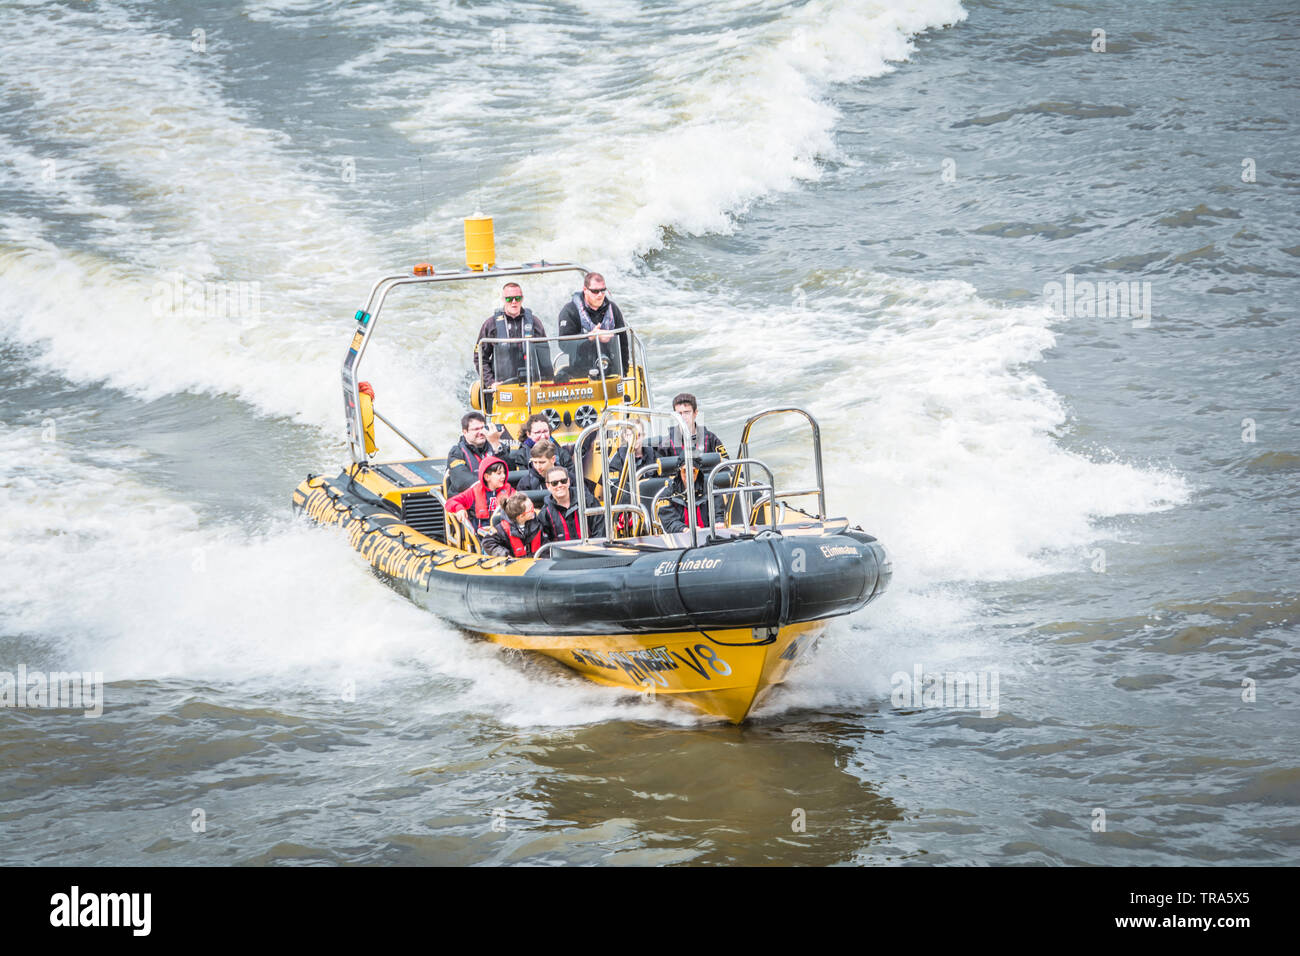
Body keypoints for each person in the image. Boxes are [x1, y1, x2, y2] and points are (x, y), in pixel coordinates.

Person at [474, 282, 554, 411]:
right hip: (502, 389)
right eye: (509, 299)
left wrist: (548, 383)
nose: (514, 302)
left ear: (522, 299)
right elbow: (479, 357)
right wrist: (491, 383)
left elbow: (544, 355)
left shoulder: (534, 322)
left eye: (517, 298)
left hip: (532, 387)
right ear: (503, 299)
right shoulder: (491, 324)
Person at [555, 272, 628, 379]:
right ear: (585, 290)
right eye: (595, 291)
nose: (600, 294)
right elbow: (563, 344)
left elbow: (623, 344)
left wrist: (624, 373)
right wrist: (589, 338)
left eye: (603, 290)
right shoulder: (570, 311)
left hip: (610, 370)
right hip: (580, 373)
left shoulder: (613, 310)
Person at [445, 456, 513, 536]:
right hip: (481, 536)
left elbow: (521, 502)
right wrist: (459, 509)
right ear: (487, 477)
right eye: (499, 473)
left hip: (504, 533)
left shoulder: (509, 490)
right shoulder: (474, 491)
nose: (503, 476)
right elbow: (450, 502)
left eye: (504, 472)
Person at [446, 411, 512, 495]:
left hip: (497, 498)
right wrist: (488, 486)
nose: (481, 432)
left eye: (483, 428)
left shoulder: (497, 446)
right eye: (476, 429)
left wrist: (496, 446)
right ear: (465, 432)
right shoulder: (456, 453)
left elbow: (510, 471)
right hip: (468, 500)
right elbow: (461, 480)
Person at [539, 466, 605, 542]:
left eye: (563, 481)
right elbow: (546, 545)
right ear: (548, 486)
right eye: (554, 483)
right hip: (562, 553)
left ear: (568, 482)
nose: (559, 485)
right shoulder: (544, 514)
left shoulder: (588, 501)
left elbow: (601, 531)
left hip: (592, 550)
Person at [661, 392, 728, 459]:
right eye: (679, 413)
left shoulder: (711, 439)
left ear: (695, 413)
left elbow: (726, 465)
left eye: (686, 412)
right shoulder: (667, 443)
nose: (683, 417)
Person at [482, 493, 545, 558]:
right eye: (531, 509)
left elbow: (546, 544)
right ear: (521, 516)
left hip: (537, 563)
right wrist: (504, 554)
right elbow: (487, 542)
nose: (534, 510)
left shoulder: (538, 522)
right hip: (514, 565)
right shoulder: (502, 529)